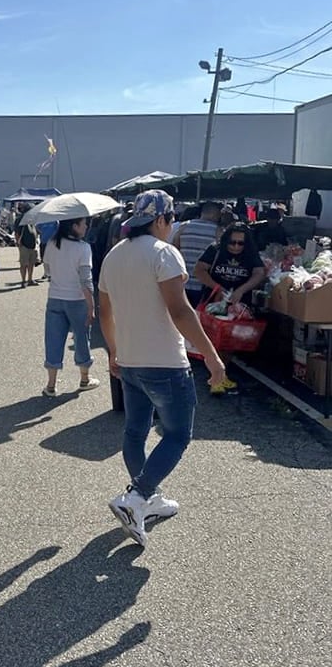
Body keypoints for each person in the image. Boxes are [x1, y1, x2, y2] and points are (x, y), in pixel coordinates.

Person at [98, 190, 225, 548]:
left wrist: (113, 352)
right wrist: (212, 358)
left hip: (130, 361)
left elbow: (104, 313)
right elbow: (181, 311)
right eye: (170, 220)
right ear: (160, 220)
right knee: (177, 434)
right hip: (166, 362)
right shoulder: (164, 254)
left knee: (135, 431)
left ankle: (147, 500)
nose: (170, 227)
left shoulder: (113, 256)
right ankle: (137, 496)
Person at [194, 222, 266, 394]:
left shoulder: (250, 254)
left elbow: (259, 272)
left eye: (240, 243)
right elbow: (199, 270)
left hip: (238, 305)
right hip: (214, 303)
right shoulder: (215, 250)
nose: (235, 247)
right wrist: (217, 287)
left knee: (230, 341)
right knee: (214, 340)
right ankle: (216, 377)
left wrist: (242, 290)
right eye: (232, 242)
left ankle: (220, 376)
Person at [42, 217, 99, 397]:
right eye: (84, 223)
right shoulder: (83, 248)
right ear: (75, 226)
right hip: (77, 300)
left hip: (55, 298)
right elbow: (86, 280)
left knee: (53, 339)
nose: (87, 226)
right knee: (81, 338)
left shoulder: (52, 243)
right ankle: (84, 378)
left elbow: (48, 269)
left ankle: (51, 384)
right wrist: (91, 306)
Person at [172, 201, 222, 307]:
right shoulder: (217, 231)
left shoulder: (184, 226)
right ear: (214, 214)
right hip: (203, 284)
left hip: (183, 281)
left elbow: (174, 251)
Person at [14, 206, 39, 287]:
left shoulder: (32, 219)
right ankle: (23, 280)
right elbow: (17, 232)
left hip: (33, 244)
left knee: (31, 263)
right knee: (24, 264)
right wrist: (19, 244)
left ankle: (30, 279)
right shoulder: (20, 219)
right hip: (24, 244)